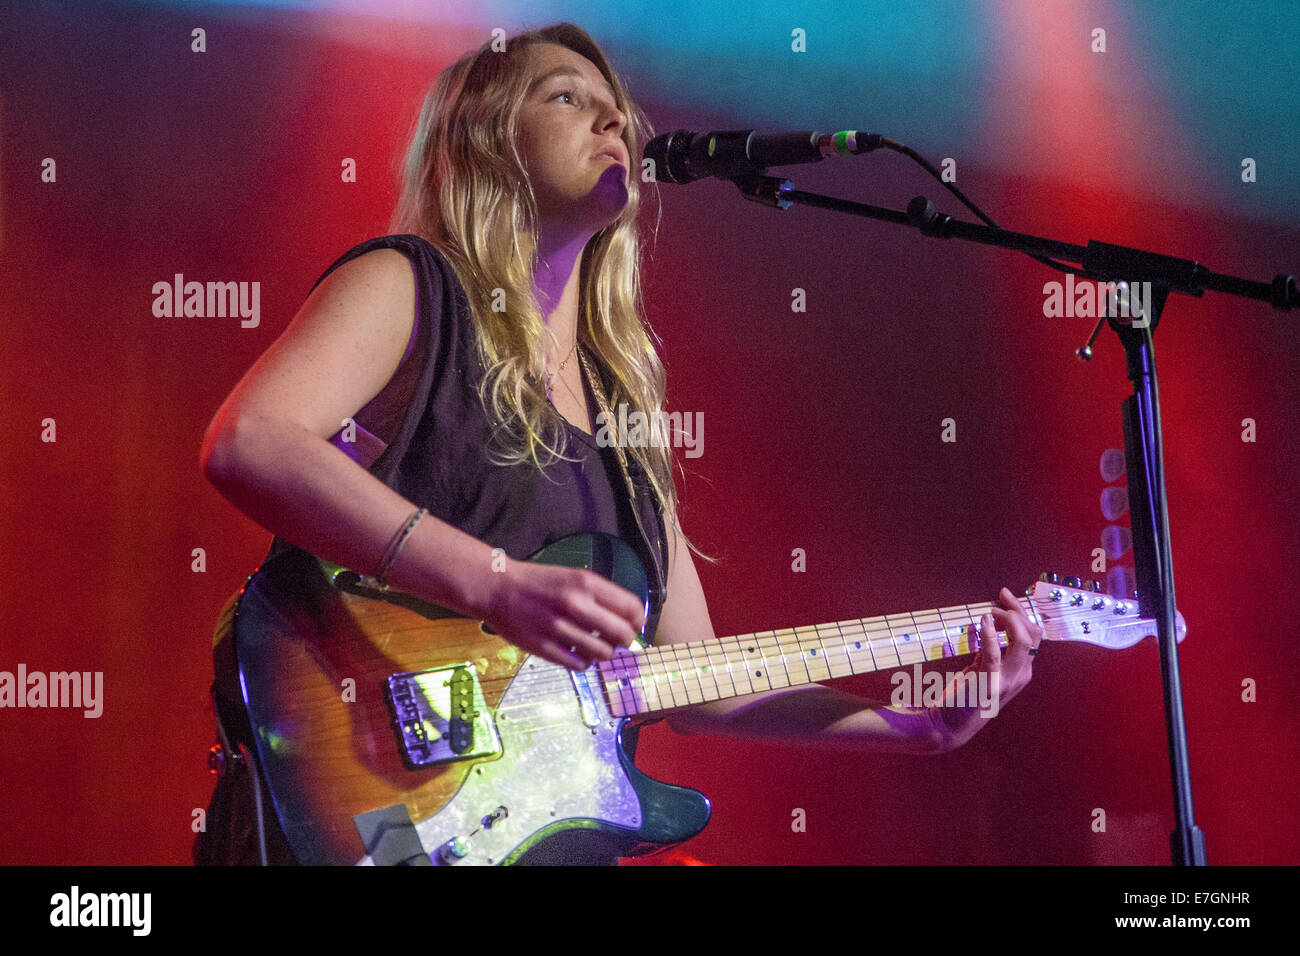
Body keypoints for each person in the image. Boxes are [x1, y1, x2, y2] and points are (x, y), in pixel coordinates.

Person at [195, 22, 1042, 866]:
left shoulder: (625, 416)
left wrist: (921, 727)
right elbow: (252, 440)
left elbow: (702, 682)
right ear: (486, 137)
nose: (615, 126)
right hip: (369, 795)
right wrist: (499, 586)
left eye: (619, 113)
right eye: (570, 98)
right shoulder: (411, 283)